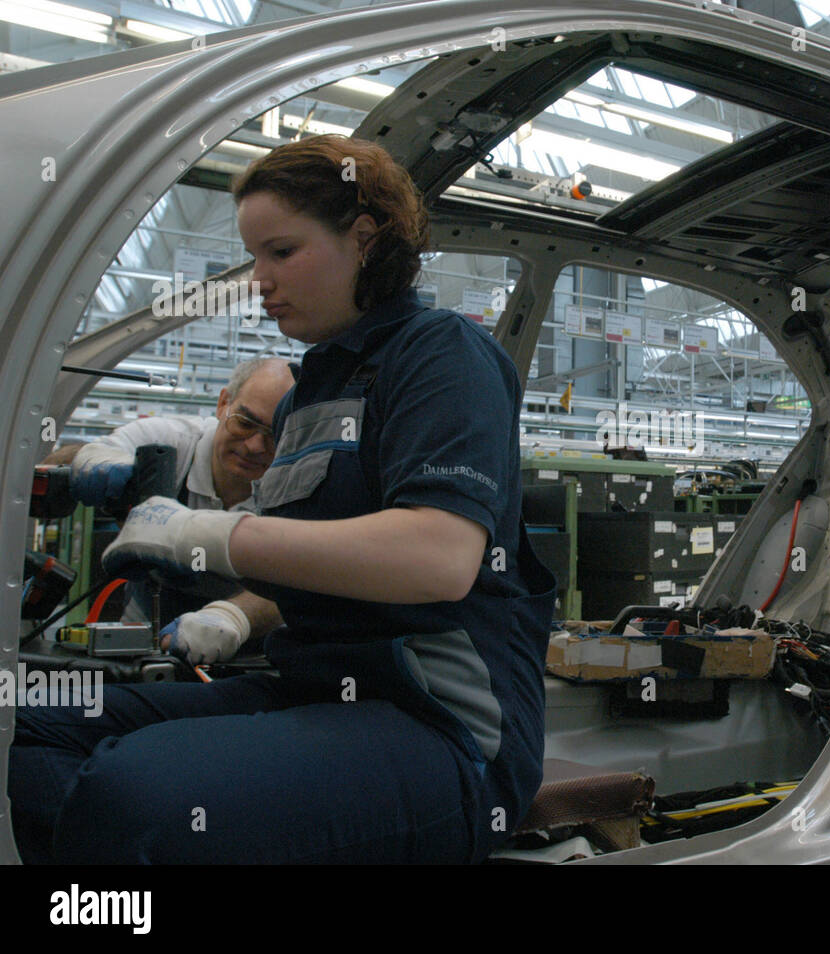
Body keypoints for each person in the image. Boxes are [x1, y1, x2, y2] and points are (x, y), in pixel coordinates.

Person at [8, 134, 556, 864]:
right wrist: (223, 598)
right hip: (316, 688)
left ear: (363, 239)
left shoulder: (441, 354)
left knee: (133, 794)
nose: (258, 279)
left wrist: (209, 533)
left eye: (281, 252)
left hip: (443, 725)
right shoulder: (309, 394)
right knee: (33, 721)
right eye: (254, 256)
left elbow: (438, 557)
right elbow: (304, 558)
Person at [43, 357, 295, 662]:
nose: (255, 446)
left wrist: (232, 617)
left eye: (275, 434)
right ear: (223, 403)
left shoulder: (295, 484)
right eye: (245, 423)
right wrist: (83, 459)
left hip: (250, 655)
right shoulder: (166, 443)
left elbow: (297, 581)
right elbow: (50, 468)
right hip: (140, 641)